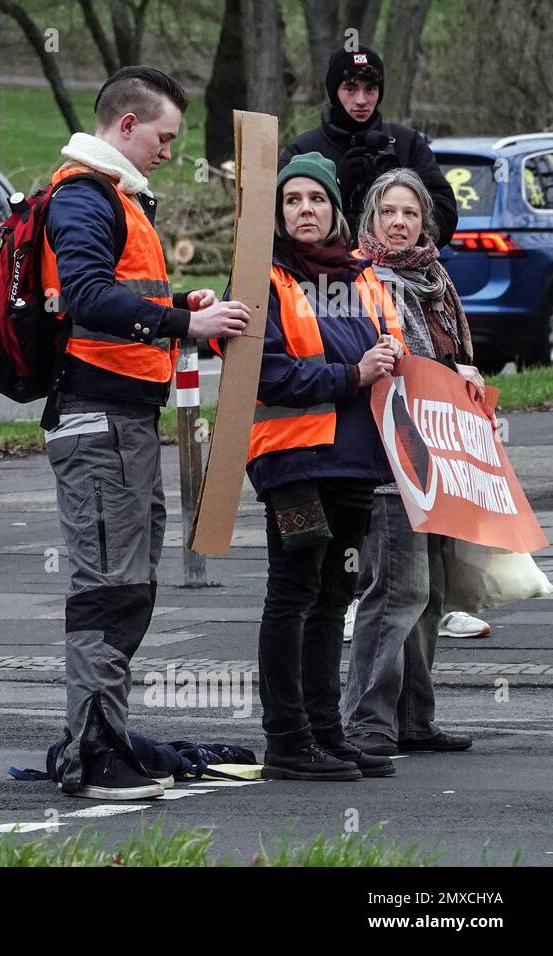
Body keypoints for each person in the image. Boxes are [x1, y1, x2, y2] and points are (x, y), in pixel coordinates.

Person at [41, 66, 251, 800]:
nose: (169, 149)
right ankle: (95, 757)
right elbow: (90, 297)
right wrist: (185, 322)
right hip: (99, 425)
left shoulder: (116, 198)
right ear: (125, 126)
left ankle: (97, 740)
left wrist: (176, 308)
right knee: (108, 590)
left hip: (121, 424)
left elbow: (122, 297)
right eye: (163, 136)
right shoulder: (85, 196)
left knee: (127, 588)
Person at [249, 152, 407, 782]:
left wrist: (392, 356)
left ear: (335, 208)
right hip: (293, 461)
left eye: (315, 199)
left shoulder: (362, 276)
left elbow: (389, 350)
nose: (304, 210)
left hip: (353, 461)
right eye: (292, 201)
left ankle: (324, 731)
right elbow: (262, 372)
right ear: (278, 212)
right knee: (294, 592)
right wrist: (351, 374)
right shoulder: (263, 277)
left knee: (334, 595)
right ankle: (286, 740)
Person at [342, 168, 482, 756]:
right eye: (388, 213)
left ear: (425, 221)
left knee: (430, 595)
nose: (399, 223)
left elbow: (448, 357)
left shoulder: (437, 281)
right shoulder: (359, 281)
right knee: (396, 589)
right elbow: (377, 361)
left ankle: (415, 718)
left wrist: (467, 373)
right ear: (371, 218)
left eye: (410, 214)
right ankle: (368, 720)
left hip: (440, 457)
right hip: (386, 460)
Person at [280, 45, 457, 245]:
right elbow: (279, 226)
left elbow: (446, 216)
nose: (362, 100)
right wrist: (335, 189)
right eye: (350, 88)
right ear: (334, 92)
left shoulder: (407, 144)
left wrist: (398, 194)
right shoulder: (303, 150)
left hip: (399, 273)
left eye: (370, 88)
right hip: (325, 274)